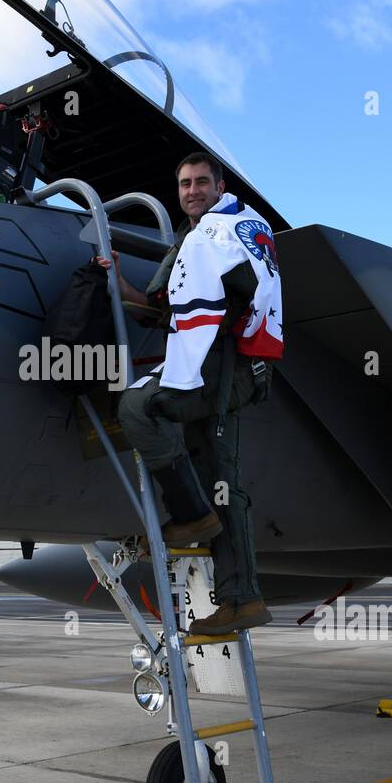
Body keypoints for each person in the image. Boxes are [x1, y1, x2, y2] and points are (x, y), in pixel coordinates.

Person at [101, 151, 282, 634]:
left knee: (136, 406)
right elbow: (168, 308)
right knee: (222, 484)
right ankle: (242, 600)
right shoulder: (231, 229)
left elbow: (182, 306)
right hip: (227, 371)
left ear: (219, 186)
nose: (193, 191)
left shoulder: (213, 236)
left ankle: (189, 516)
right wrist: (119, 281)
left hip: (221, 372)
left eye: (202, 182)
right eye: (185, 184)